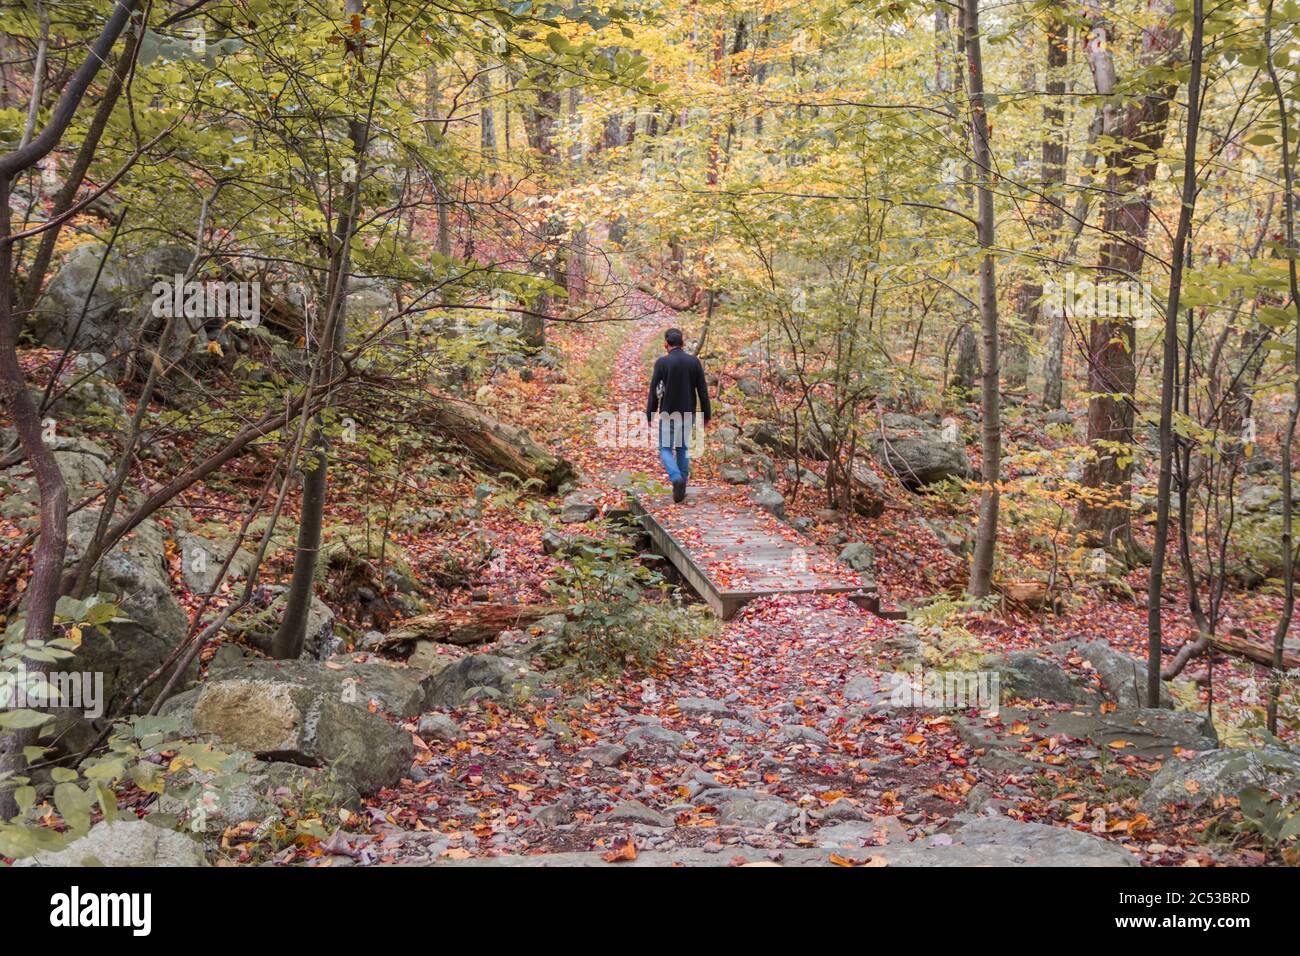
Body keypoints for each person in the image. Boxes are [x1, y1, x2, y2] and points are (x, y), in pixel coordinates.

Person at [645, 327, 711, 503]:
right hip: (688, 413)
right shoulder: (694, 362)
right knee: (682, 448)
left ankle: (676, 479)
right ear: (683, 343)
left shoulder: (662, 363)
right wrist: (706, 414)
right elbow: (702, 391)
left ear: (666, 344)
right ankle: (682, 487)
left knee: (665, 449)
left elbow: (654, 391)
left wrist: (650, 413)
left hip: (668, 413)